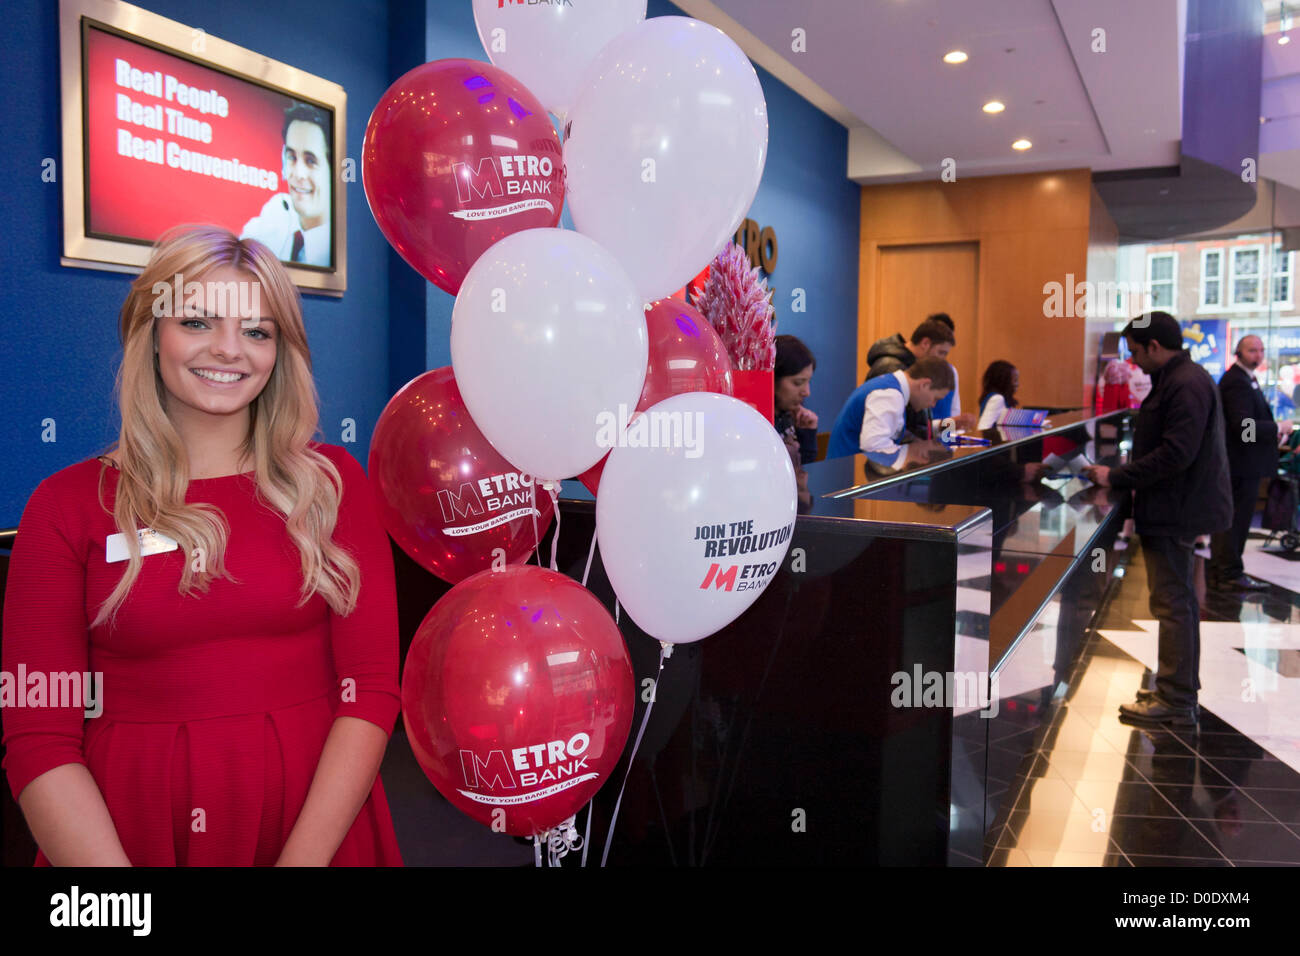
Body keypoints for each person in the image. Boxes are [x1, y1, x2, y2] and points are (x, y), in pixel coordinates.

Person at [1, 225, 401, 865]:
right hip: (122, 840)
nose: (229, 350)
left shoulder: (333, 487)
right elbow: (37, 734)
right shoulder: (63, 506)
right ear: (151, 334)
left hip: (318, 831)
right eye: (196, 321)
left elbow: (372, 690)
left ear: (281, 351)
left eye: (257, 331)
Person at [1083, 311, 1231, 728]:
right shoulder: (1183, 379)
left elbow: (1175, 454)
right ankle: (1175, 688)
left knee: (1174, 602)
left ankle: (1177, 699)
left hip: (1176, 509)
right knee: (1175, 600)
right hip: (1174, 506)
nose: (1133, 360)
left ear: (1154, 346)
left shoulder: (1185, 384)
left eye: (1135, 351)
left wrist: (1116, 475)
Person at [1207, 335, 1293, 590]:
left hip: (1246, 464)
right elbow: (1243, 428)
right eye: (1252, 350)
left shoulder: (1247, 379)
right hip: (1240, 464)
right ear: (1238, 352)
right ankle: (1228, 574)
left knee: (1237, 519)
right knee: (1235, 519)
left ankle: (1226, 571)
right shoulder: (1237, 381)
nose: (1258, 355)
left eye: (1261, 350)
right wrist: (1277, 427)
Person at [241, 103, 332, 267]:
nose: (298, 174)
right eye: (292, 157)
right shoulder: (276, 212)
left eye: (310, 161)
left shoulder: (336, 243)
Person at [826, 356, 953, 462]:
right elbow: (874, 447)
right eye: (936, 398)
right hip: (845, 478)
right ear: (925, 384)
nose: (933, 404)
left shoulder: (891, 387)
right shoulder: (890, 394)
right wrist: (911, 455)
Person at [773, 334, 818, 465]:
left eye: (808, 382)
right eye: (798, 383)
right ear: (773, 379)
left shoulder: (791, 416)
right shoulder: (760, 423)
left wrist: (807, 432)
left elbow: (803, 469)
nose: (807, 392)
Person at [976, 360, 1020, 430]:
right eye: (1015, 380)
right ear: (1003, 380)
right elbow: (983, 427)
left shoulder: (998, 398)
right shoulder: (997, 399)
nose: (1017, 384)